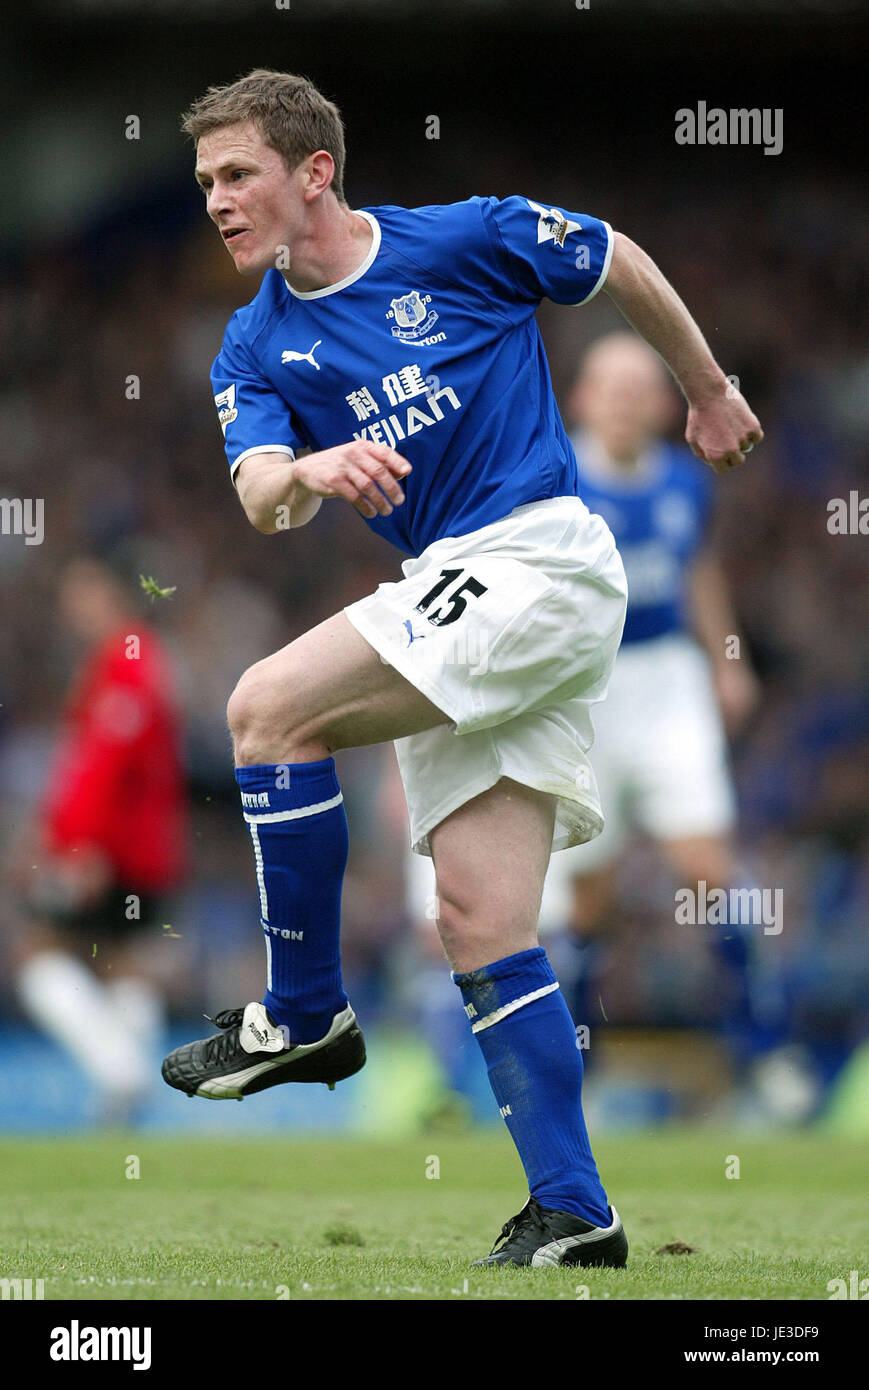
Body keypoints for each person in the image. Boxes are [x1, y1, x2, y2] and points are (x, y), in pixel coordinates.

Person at [161, 69, 762, 1268]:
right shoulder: (253, 342)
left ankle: (306, 1007)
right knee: (481, 921)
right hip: (466, 594)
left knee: (264, 706)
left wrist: (704, 388)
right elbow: (258, 494)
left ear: (312, 172)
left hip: (537, 555)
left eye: (237, 175)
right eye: (205, 183)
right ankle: (574, 1210)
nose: (217, 201)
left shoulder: (469, 238)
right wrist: (312, 471)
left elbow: (614, 255)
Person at [538, 332, 768, 1071]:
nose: (625, 402)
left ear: (665, 407)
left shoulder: (683, 481)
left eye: (639, 390)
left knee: (706, 868)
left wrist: (725, 658)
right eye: (611, 387)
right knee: (588, 897)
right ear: (580, 399)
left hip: (668, 679)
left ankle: (759, 1048)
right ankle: (584, 1058)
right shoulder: (555, 477)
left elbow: (696, 567)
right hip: (585, 687)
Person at [11, 556, 189, 1120]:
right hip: (147, 851)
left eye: (83, 593)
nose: (72, 608)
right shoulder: (137, 659)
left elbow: (105, 764)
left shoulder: (126, 660)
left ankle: (122, 1073)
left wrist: (75, 845)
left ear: (113, 595)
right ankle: (127, 1086)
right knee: (124, 963)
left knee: (35, 956)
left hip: (113, 852)